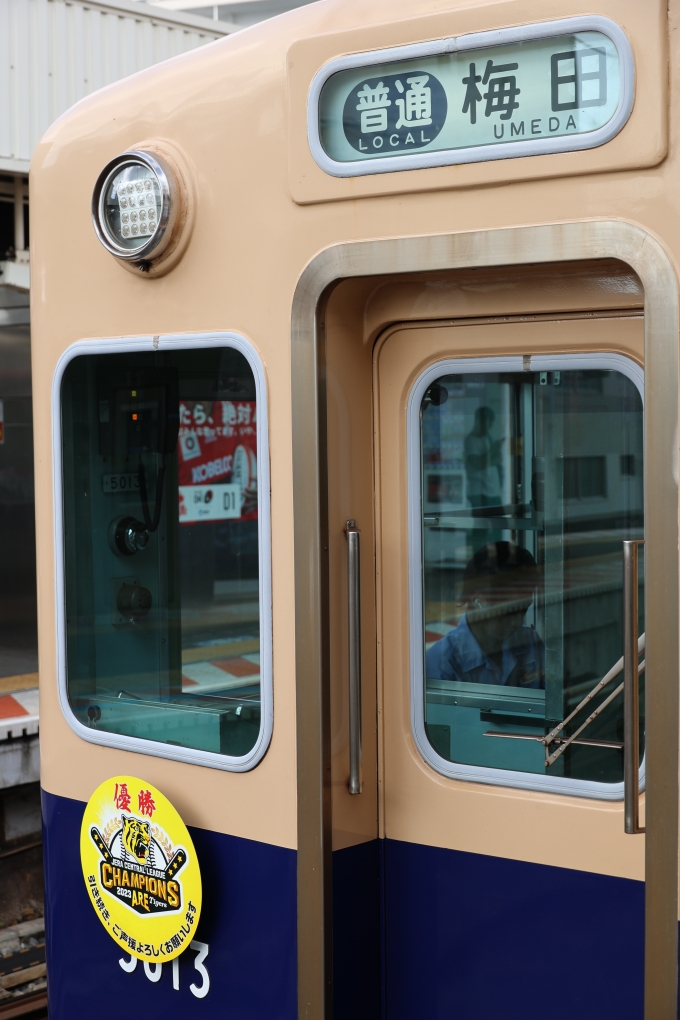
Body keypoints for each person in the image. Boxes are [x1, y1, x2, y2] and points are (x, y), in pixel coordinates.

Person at [426, 541, 544, 688]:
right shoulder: (441, 666)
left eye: (524, 609)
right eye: (509, 611)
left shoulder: (530, 641)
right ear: (477, 600)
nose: (517, 621)